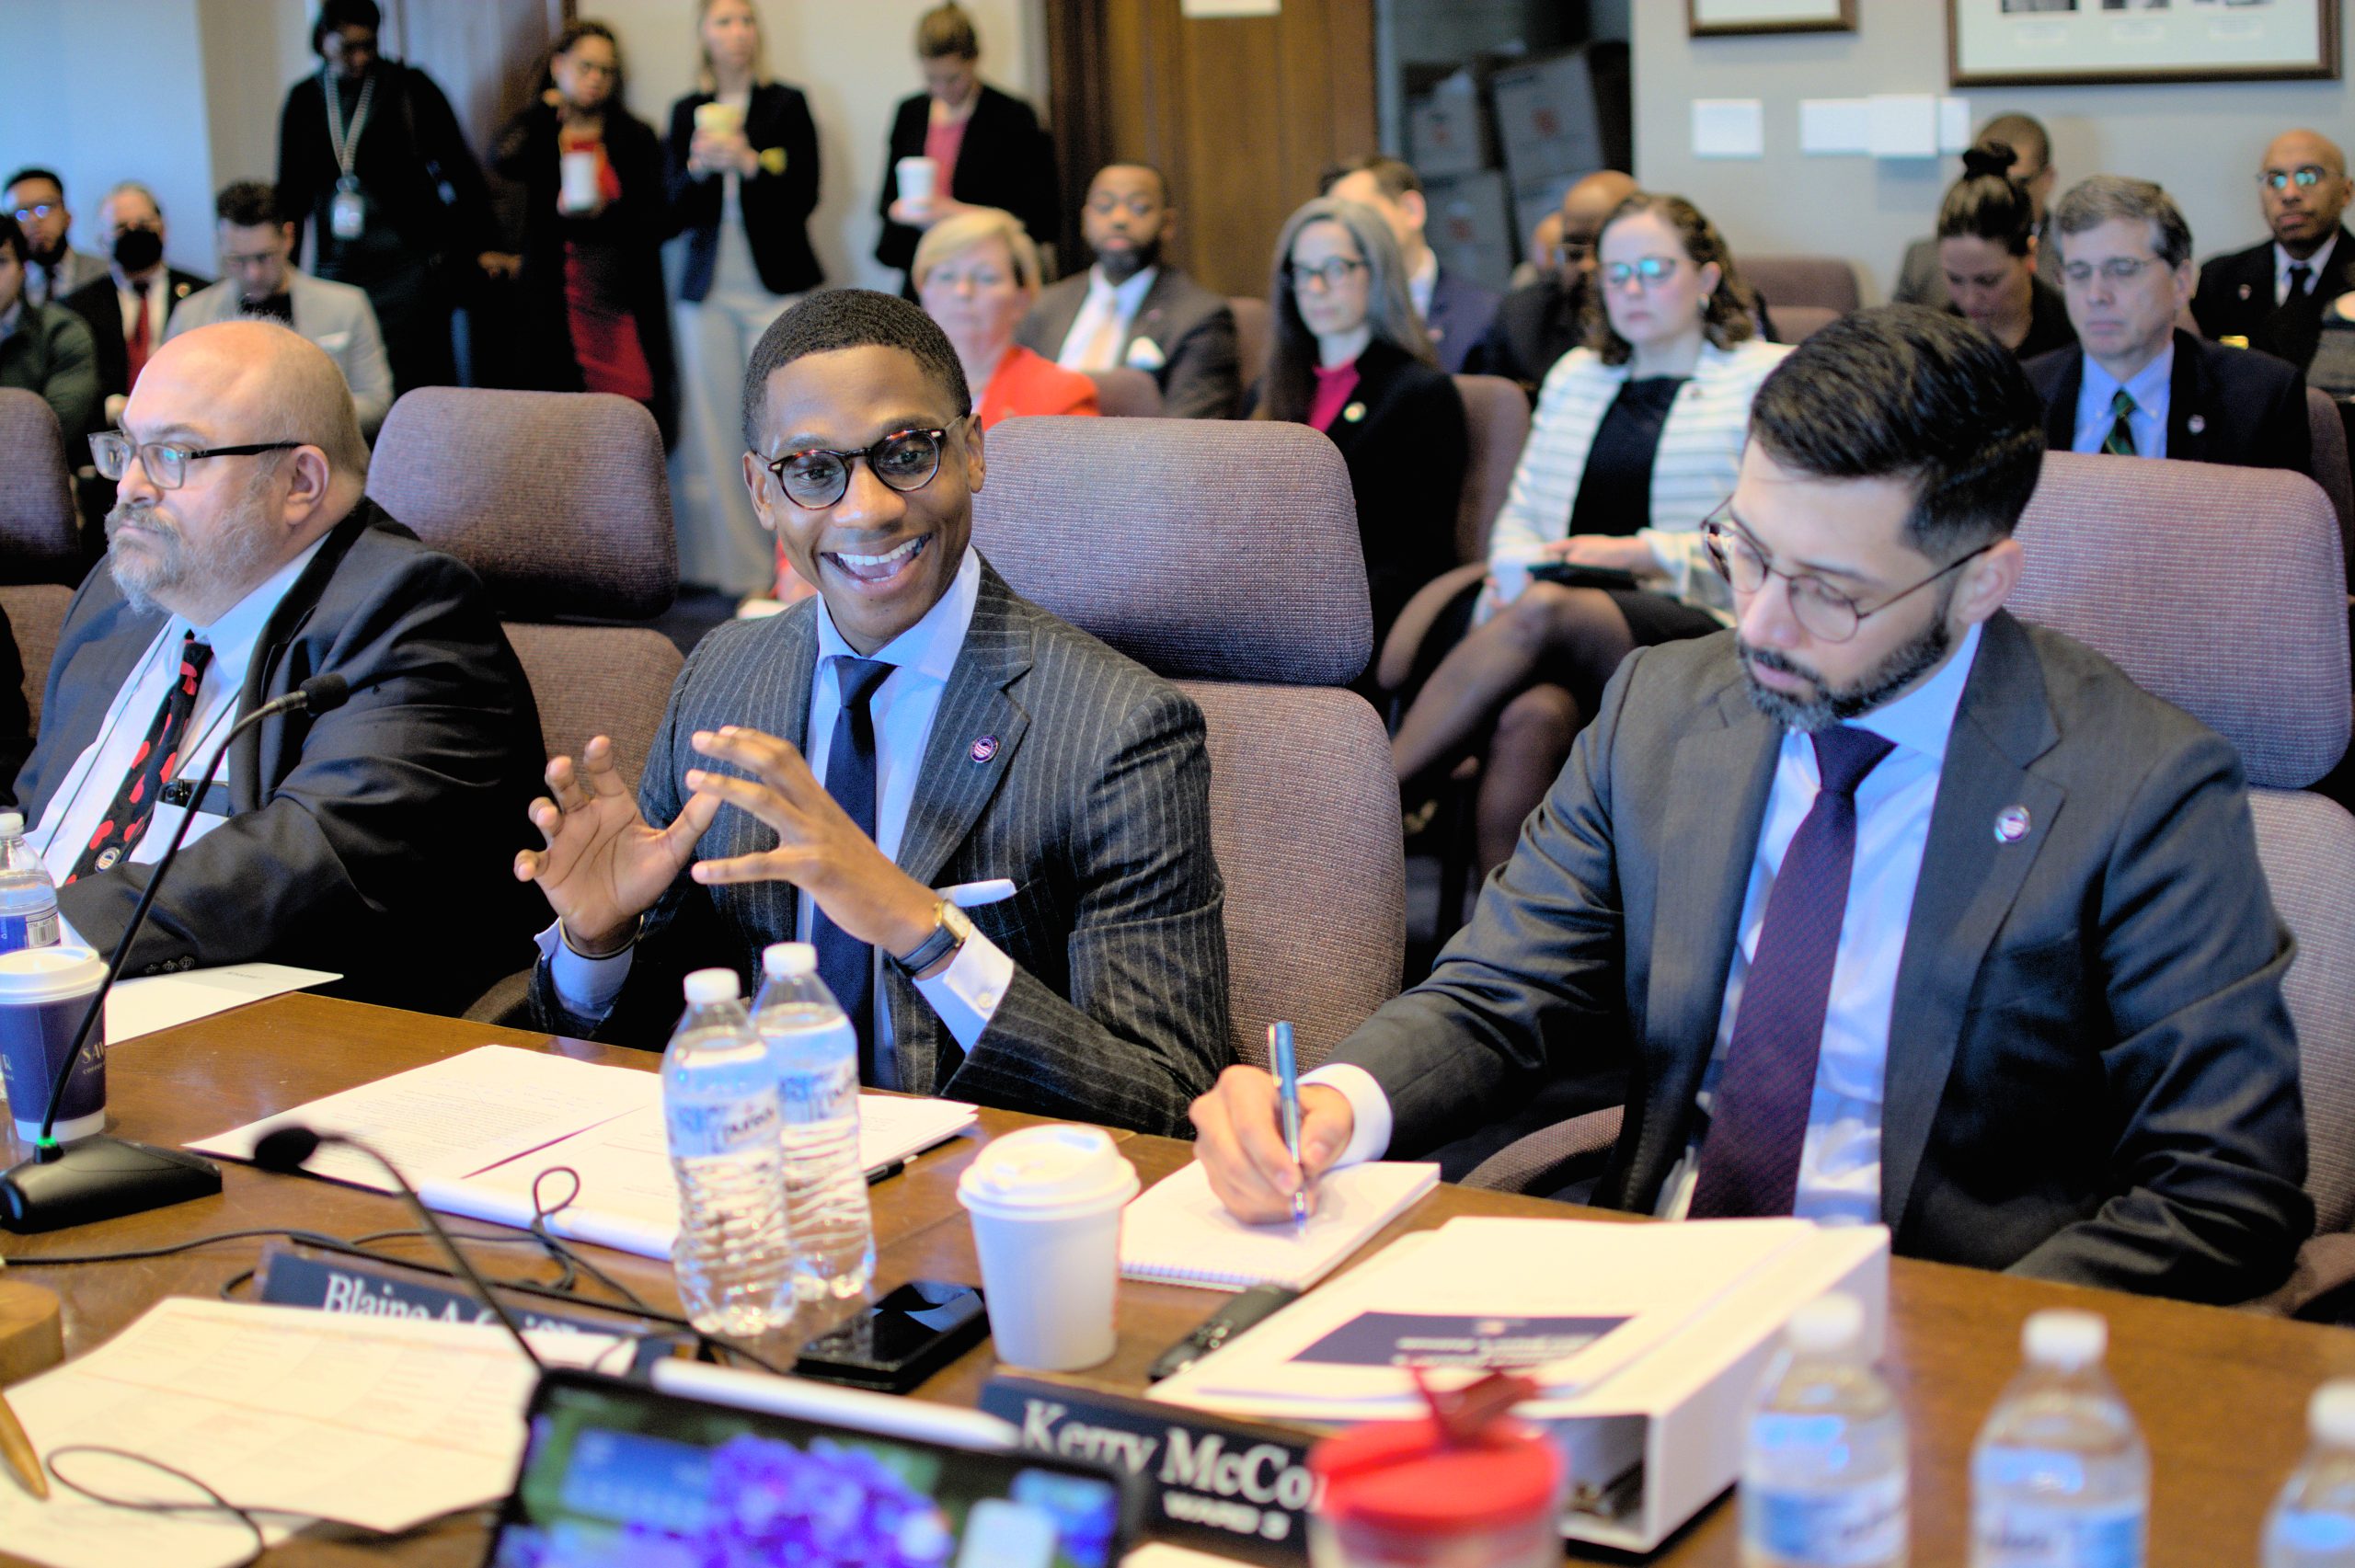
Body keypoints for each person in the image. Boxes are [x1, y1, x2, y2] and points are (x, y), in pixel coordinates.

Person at [1190, 304, 2314, 1305]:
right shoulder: (1663, 708)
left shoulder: (2145, 785)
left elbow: (2222, 1191)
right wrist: (1335, 1104)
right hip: (1660, 1295)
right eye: (1744, 553)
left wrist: (1927, 1349)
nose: (1762, 626)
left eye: (1828, 591)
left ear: (1982, 582)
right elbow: (1500, 994)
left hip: (1939, 1332)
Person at [518, 290, 1231, 1136]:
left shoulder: (1122, 727)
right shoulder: (725, 676)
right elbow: (648, 1043)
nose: (867, 508)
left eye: (905, 453)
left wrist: (920, 928)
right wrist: (601, 943)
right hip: (760, 1184)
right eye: (814, 470)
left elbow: (1169, 1105)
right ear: (760, 490)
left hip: (979, 1213)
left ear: (971, 451)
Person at [16, 321, 545, 1011]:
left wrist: (35, 935)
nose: (131, 488)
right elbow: (30, 823)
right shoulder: (119, 597)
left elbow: (307, 859)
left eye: (173, 454)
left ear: (301, 480)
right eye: (126, 451)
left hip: (266, 1041)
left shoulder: (409, 612)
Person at [1393, 193, 1790, 876]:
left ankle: (1369, 799)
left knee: (1548, 610)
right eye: (1616, 273)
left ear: (1708, 277)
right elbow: (1521, 515)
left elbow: (1769, 541)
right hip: (1557, 621)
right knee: (1531, 718)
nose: (1633, 289)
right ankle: (1500, 966)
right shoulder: (1578, 376)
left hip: (1701, 621)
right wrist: (1515, 565)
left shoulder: (1763, 377)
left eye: (1654, 269)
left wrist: (1639, 553)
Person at [1255, 196, 1467, 660]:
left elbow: (1417, 556)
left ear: (1376, 272)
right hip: (1264, 604)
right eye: (1302, 271)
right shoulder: (1271, 392)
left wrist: (1318, 621)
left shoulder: (1421, 394)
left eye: (1335, 268)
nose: (1315, 287)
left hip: (1357, 620)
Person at [665, 0, 822, 600]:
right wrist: (701, 169)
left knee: (785, 429)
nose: (737, 33)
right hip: (706, 294)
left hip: (774, 288)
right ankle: (745, 581)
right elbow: (669, 208)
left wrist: (753, 165)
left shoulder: (786, 103)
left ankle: (797, 573)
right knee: (720, 433)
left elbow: (805, 193)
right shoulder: (685, 111)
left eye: (746, 20)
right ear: (704, 34)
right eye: (724, 21)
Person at [277, 0, 505, 395]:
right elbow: (290, 192)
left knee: (415, 377)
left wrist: (484, 244)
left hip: (407, 265)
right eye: (348, 47)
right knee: (343, 382)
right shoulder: (303, 100)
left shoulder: (409, 87)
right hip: (338, 266)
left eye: (369, 44)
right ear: (323, 40)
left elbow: (461, 171)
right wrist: (284, 270)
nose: (361, 57)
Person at [2029, 176, 2309, 473]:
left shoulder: (2259, 398)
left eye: (2123, 270)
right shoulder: (2017, 397)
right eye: (2079, 272)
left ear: (2180, 282)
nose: (2096, 295)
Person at [492, 22, 678, 443]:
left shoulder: (634, 135)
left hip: (618, 300)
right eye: (586, 67)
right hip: (555, 299)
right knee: (561, 428)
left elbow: (658, 219)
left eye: (605, 71)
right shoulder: (539, 131)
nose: (595, 78)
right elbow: (501, 157)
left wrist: (604, 213)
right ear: (560, 66)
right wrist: (545, 110)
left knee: (635, 424)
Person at [167, 181, 396, 441]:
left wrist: (294, 418)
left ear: (288, 238)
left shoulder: (346, 305)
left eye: (264, 257)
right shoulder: (192, 316)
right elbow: (171, 403)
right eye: (237, 260)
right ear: (219, 243)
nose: (253, 274)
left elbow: (376, 402)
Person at [1017, 163, 1241, 419]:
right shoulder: (1046, 305)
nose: (1119, 219)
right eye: (1104, 206)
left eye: (1139, 208)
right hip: (1039, 453)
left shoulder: (1200, 316)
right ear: (1085, 219)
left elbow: (1190, 432)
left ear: (1168, 223)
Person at [874, 3, 1060, 297]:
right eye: (931, 79)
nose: (942, 90)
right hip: (925, 269)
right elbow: (887, 199)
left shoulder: (1012, 115)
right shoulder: (911, 112)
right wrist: (900, 210)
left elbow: (1041, 217)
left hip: (988, 270)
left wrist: (952, 212)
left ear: (974, 60)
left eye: (952, 78)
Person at [2192, 130, 2355, 372]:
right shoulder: (2220, 279)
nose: (2289, 194)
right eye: (2275, 179)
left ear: (2346, 192)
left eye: (2308, 177)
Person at [918, 208, 1097, 429]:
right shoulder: (893, 386)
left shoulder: (1060, 395)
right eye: (946, 276)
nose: (962, 291)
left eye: (986, 278)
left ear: (1022, 300)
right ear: (923, 291)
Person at [1465, 169, 1637, 396]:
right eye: (1574, 251)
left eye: (1601, 248)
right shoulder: (1522, 319)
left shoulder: (1662, 319)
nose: (1586, 265)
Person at [1324, 155, 1500, 374]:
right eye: (1337, 223)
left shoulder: (1483, 315)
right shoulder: (1327, 316)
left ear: (1411, 210)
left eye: (1361, 217)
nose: (1347, 235)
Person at [59, 183, 208, 419]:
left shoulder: (203, 295)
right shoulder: (77, 308)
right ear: (102, 242)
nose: (134, 233)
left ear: (163, 229)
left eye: (143, 224)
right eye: (121, 227)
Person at [1893, 116, 2063, 309]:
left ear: (2048, 179)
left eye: (2017, 183)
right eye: (1986, 179)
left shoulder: (2073, 259)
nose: (1999, 191)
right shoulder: (1922, 261)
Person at [1936, 144, 2075, 361]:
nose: (1970, 300)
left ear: (2030, 254)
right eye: (1955, 279)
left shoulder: (2072, 334)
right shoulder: (1935, 344)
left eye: (1988, 280)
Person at [0, 213, 100, 441]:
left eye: (1, 261)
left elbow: (50, 430)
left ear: (22, 269)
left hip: (32, 471)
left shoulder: (61, 332)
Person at [5, 168, 108, 308]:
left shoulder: (105, 273)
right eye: (22, 213)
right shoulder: (7, 284)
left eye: (43, 208)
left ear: (67, 216)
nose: (34, 220)